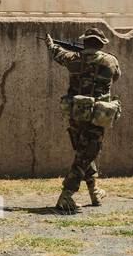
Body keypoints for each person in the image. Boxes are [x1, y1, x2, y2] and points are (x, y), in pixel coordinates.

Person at [48, 29, 122, 215]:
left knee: (84, 153)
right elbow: (116, 76)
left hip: (77, 113)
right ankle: (66, 195)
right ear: (102, 43)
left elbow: (57, 53)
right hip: (97, 116)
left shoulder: (73, 59)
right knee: (86, 154)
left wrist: (51, 44)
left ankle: (93, 191)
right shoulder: (110, 60)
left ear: (85, 42)